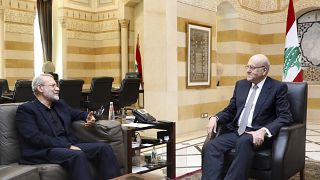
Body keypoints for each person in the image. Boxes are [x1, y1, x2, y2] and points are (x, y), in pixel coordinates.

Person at [202, 54, 293, 180]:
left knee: (244, 142)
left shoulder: (277, 88)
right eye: (247, 66)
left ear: (264, 70)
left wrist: (263, 131)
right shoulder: (241, 85)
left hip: (257, 135)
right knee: (212, 146)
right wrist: (215, 118)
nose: (248, 70)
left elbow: (285, 116)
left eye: (253, 67)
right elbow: (231, 110)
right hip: (237, 131)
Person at [15, 74, 120, 180]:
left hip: (67, 144)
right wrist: (66, 146)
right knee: (77, 154)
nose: (57, 89)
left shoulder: (60, 104)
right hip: (44, 149)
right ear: (40, 88)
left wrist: (88, 117)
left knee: (104, 148)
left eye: (57, 85)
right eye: (53, 86)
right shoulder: (26, 110)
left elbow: (75, 113)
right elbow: (35, 138)